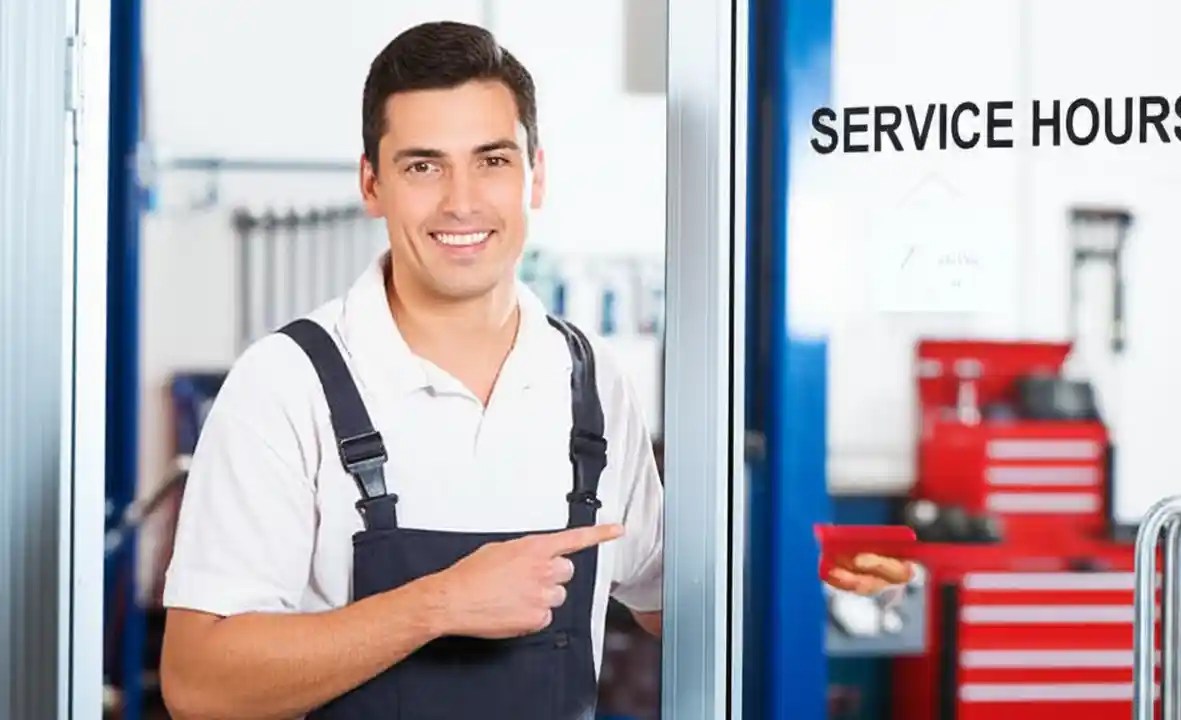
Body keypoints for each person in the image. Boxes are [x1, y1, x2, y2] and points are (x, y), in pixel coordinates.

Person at [157, 19, 907, 720]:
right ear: (372, 185)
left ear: (535, 176)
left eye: (492, 161)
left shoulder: (591, 379)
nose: (461, 202)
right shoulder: (287, 383)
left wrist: (794, 564)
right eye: (423, 166)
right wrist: (437, 605)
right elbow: (198, 681)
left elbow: (657, 594)